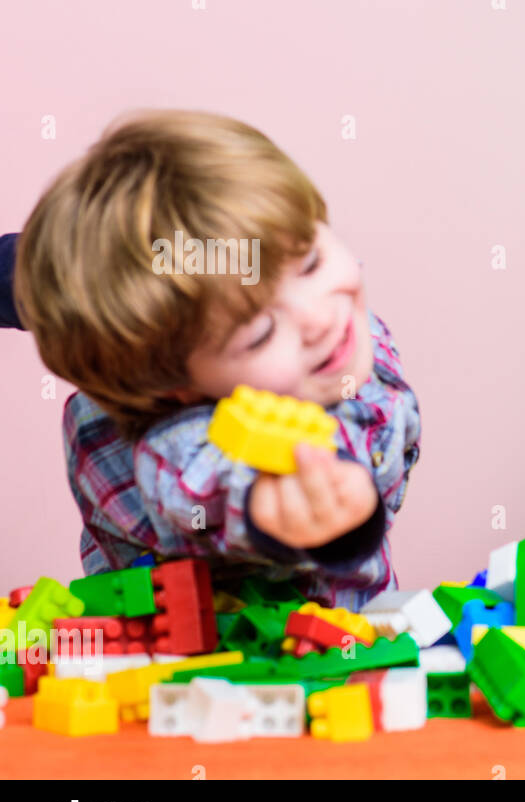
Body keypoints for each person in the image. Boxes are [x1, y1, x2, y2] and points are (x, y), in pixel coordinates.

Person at [12, 110, 421, 608]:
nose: (319, 316)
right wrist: (281, 508)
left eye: (310, 261)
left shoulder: (321, 329)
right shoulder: (182, 446)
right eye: (261, 332)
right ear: (174, 387)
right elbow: (209, 485)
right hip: (231, 676)